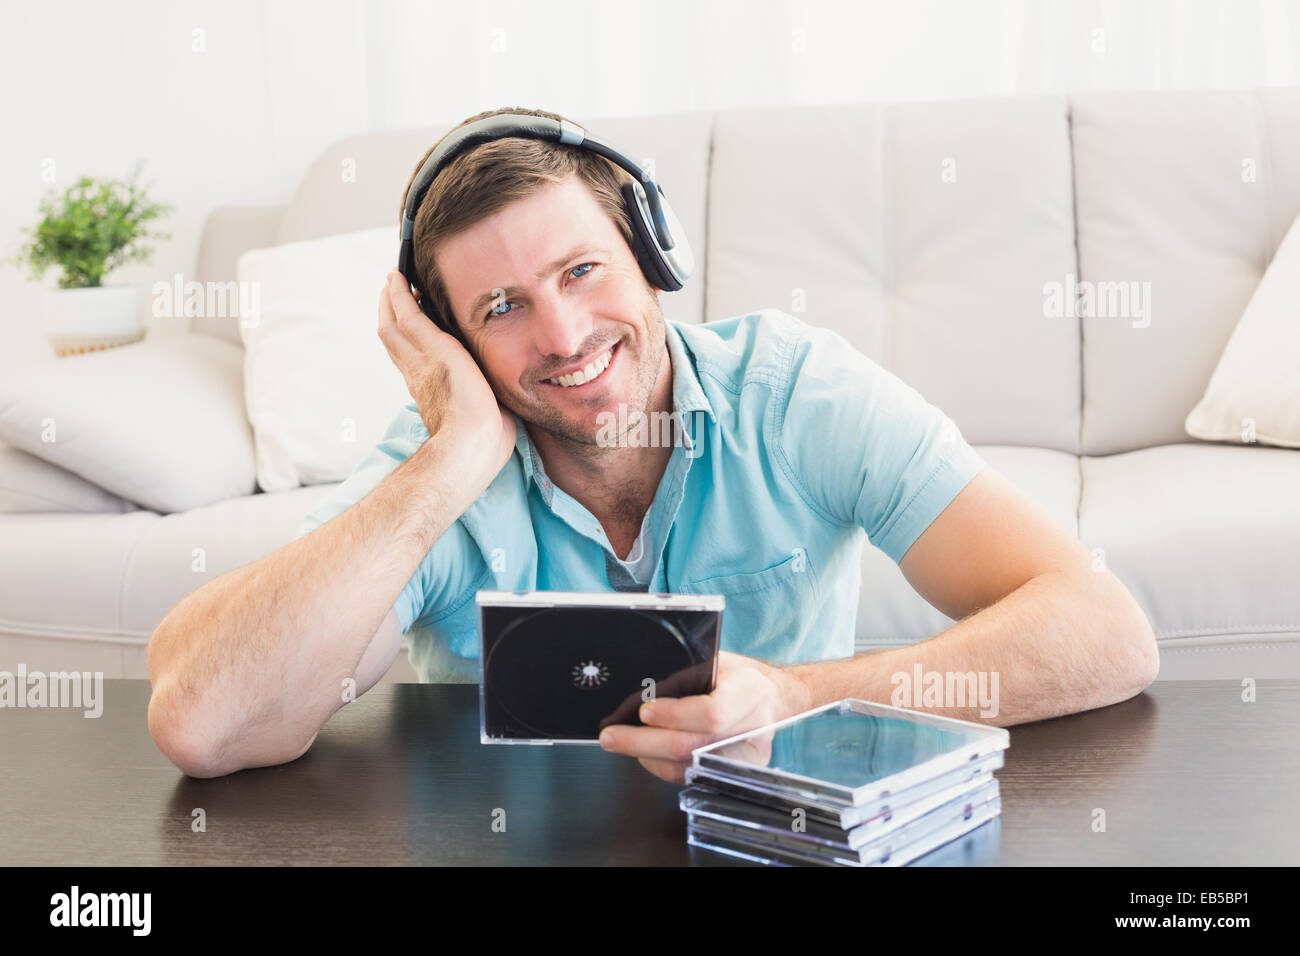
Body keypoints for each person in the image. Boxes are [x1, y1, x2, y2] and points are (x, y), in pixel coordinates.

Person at [147, 107, 1158, 781]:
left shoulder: (798, 394)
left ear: (649, 252)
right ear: (449, 339)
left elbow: (1106, 630)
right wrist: (447, 465)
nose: (561, 335)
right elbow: (202, 719)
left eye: (581, 270)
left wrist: (801, 694)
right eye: (501, 307)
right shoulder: (435, 466)